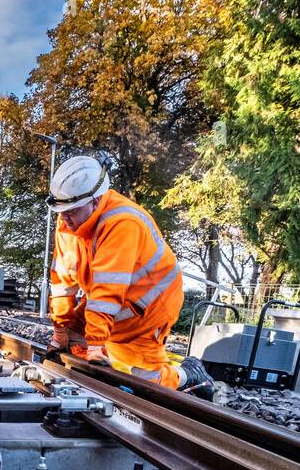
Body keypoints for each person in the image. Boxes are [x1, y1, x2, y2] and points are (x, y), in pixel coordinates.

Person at [45, 155, 214, 399]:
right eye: (61, 211)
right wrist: (60, 330)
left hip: (149, 305)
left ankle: (189, 373)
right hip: (114, 302)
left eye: (71, 211)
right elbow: (62, 284)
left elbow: (106, 292)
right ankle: (91, 380)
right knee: (74, 341)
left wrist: (95, 344)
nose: (65, 217)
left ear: (95, 201)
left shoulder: (122, 223)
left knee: (145, 383)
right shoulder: (68, 226)